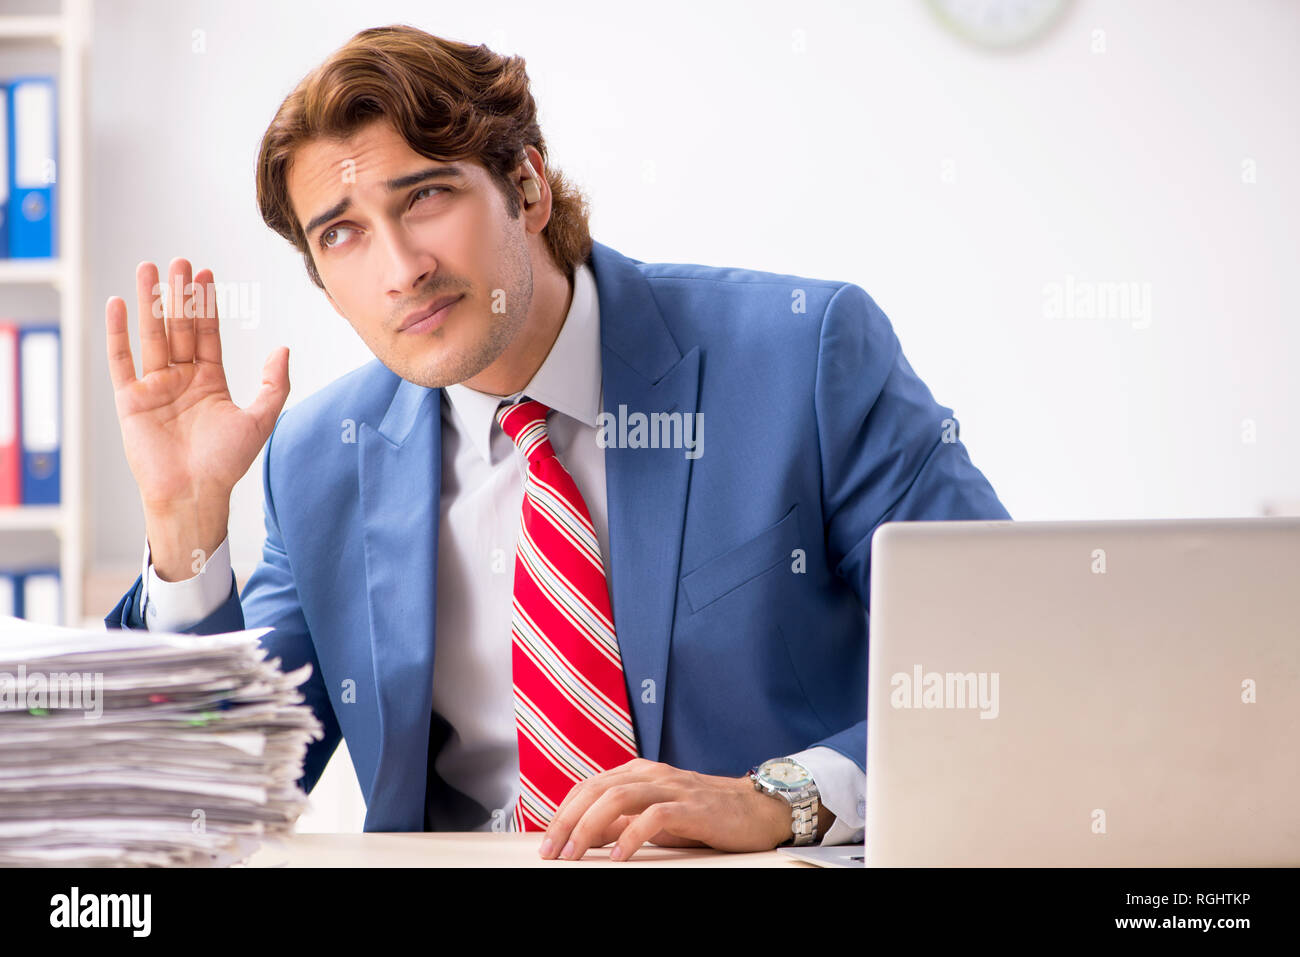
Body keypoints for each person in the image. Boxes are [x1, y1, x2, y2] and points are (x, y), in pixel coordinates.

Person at [104, 25, 1010, 862]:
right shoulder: (321, 456)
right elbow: (214, 801)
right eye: (341, 234)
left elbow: (998, 658)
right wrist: (185, 522)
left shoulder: (801, 355)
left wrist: (780, 798)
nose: (400, 268)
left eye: (424, 196)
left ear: (527, 188)